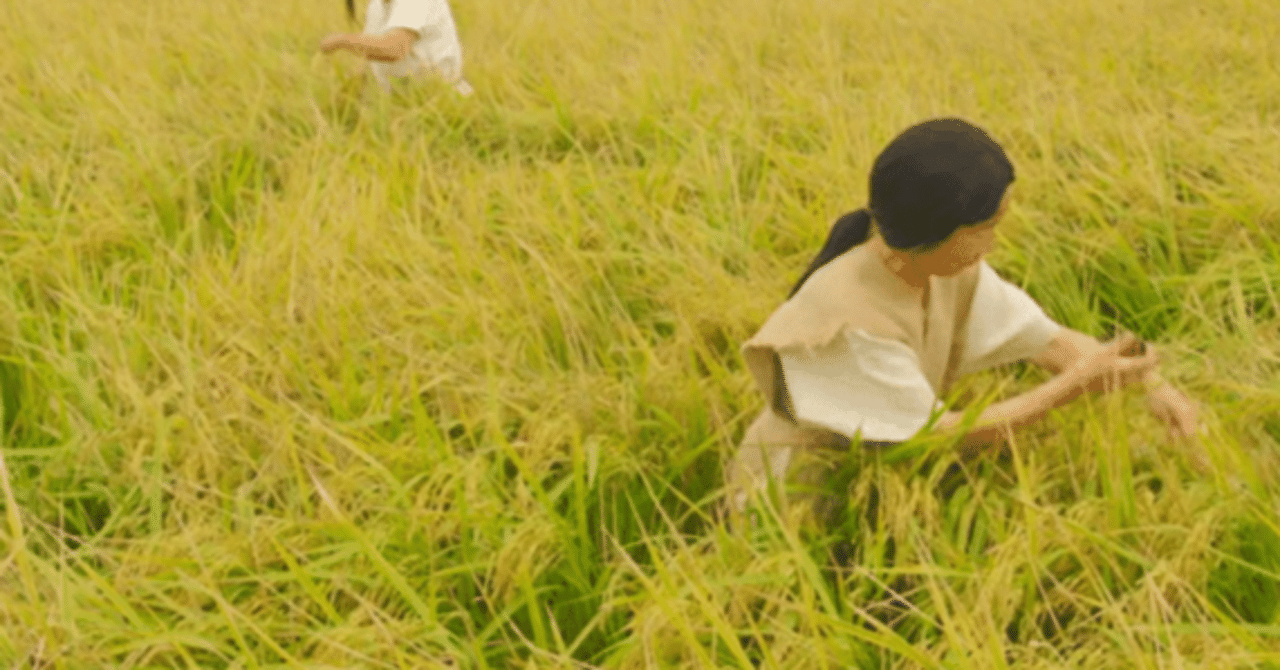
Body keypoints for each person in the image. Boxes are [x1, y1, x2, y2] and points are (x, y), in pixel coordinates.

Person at [727, 117, 1200, 520]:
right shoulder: (847, 321)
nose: (994, 244)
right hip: (790, 505)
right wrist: (1072, 387)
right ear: (937, 229)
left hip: (872, 491)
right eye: (986, 229)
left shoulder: (947, 270)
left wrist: (1148, 384)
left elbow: (1050, 343)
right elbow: (937, 437)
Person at [319, 0, 473, 96]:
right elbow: (371, 53)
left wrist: (341, 41)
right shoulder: (377, 5)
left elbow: (394, 48)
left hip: (440, 102)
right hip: (399, 104)